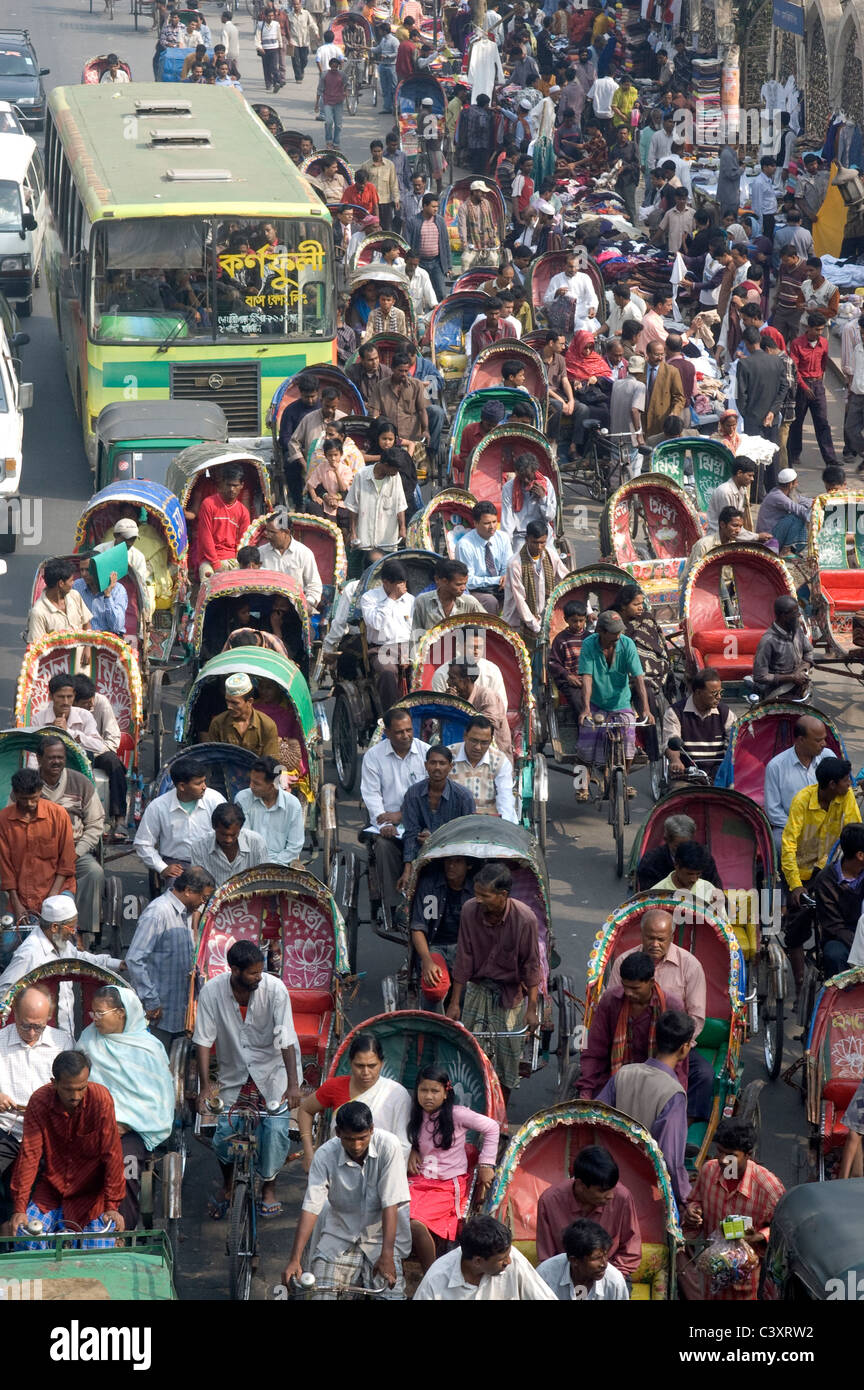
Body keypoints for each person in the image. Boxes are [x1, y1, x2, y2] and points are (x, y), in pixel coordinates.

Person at [195, 939, 301, 1219]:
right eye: (253, 973)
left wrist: (292, 1084)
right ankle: (229, 1185)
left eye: (260, 971)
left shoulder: (275, 989)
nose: (259, 977)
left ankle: (269, 1186)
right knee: (223, 1131)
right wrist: (206, 1087)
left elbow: (286, 1039)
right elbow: (203, 1041)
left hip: (274, 1071)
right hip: (233, 1072)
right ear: (234, 970)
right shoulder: (211, 992)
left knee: (275, 1131)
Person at [283, 1100, 410, 1298]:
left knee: (392, 1295)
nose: (357, 1145)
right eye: (350, 1139)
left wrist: (387, 1254)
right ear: (338, 1133)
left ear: (372, 1129)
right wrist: (295, 1259)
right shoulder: (324, 1155)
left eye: (362, 1138)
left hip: (380, 1239)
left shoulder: (389, 1146)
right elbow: (311, 1207)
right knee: (320, 1295)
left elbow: (390, 1203)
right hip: (339, 1237)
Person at [76, 985, 174, 1230]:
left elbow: (157, 1099)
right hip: (91, 1125)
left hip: (131, 1129)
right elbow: (76, 1085)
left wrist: (126, 1121)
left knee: (123, 1168)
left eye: (101, 1013)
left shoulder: (149, 1048)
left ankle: (123, 1231)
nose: (94, 1019)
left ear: (121, 1013)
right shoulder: (88, 1039)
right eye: (92, 1014)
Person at [446, 862, 541, 1104]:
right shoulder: (469, 910)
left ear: (503, 895)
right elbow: (463, 958)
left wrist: (532, 1010)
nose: (478, 900)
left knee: (507, 1062)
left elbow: (531, 966)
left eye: (484, 896)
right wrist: (455, 1002)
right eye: (476, 894)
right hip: (478, 989)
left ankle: (501, 1115)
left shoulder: (524, 919)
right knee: (470, 1053)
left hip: (510, 995)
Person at [10, 1051, 126, 1246]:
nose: (76, 1096)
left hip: (91, 1196)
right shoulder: (39, 1101)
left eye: (81, 1088)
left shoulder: (100, 1099)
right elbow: (29, 1155)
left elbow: (112, 1155)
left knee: (99, 1253)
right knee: (27, 1239)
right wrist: (20, 1209)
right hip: (51, 1193)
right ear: (54, 1083)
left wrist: (112, 1205)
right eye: (68, 1090)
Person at [679, 1119, 785, 1300]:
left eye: (730, 1155)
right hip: (711, 1278)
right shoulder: (708, 1171)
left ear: (748, 1155)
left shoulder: (769, 1188)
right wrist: (693, 1212)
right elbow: (695, 1202)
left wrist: (759, 1236)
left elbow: (783, 1232)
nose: (722, 1160)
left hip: (747, 1285)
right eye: (719, 1152)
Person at [598, 1009, 694, 1207]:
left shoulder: (624, 1073)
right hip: (645, 1191)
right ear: (684, 1048)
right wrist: (686, 1199)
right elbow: (671, 1159)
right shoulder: (673, 1093)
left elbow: (597, 1118)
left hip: (607, 1178)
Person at [407, 1066, 499, 1270]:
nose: (428, 1097)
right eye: (423, 1091)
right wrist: (411, 1150)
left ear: (445, 1092)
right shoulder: (414, 1114)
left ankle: (431, 1275)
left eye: (434, 1091)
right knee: (395, 1211)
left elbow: (492, 1127)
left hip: (447, 1186)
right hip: (419, 1181)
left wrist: (486, 1164)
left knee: (415, 1222)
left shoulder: (457, 1114)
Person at [125, 867, 214, 1047]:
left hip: (179, 1013)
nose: (203, 903)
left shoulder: (185, 914)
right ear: (188, 891)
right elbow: (134, 959)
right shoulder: (158, 913)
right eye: (203, 898)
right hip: (158, 1014)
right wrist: (151, 1000)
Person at [0, 985, 70, 1213]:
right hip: (7, 1129)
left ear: (48, 1019)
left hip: (48, 1130)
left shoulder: (63, 1043)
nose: (31, 1033)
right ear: (15, 1015)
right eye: (25, 1025)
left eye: (38, 1027)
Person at [297, 1032, 411, 1170]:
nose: (366, 1072)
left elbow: (403, 1144)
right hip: (337, 1167)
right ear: (350, 1063)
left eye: (372, 1065)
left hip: (382, 1170)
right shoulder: (335, 1086)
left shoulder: (397, 1094)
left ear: (381, 1063)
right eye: (360, 1066)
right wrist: (309, 1153)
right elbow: (305, 1110)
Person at [34, 736, 105, 941]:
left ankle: (81, 932)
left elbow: (96, 823)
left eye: (60, 757)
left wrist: (76, 853)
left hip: (75, 850)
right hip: (38, 853)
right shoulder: (29, 784)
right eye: (51, 757)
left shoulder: (80, 782)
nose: (56, 762)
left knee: (93, 872)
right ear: (39, 759)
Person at [360, 708, 429, 915]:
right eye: (400, 732)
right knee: (383, 847)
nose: (406, 735)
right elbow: (371, 795)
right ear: (388, 733)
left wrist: (403, 815)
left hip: (422, 822)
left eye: (409, 730)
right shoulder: (373, 756)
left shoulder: (427, 752)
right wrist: (386, 825)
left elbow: (432, 792)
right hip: (390, 826)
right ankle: (394, 905)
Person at [535, 1144, 641, 1277]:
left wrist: (607, 1277)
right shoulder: (549, 1201)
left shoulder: (622, 1197)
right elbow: (548, 1257)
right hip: (564, 1276)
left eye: (612, 1188)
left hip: (610, 1273)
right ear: (580, 1185)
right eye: (602, 1190)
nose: (611, 1196)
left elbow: (631, 1250)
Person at [413, 1212, 555, 1301]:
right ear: (478, 1261)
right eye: (501, 1260)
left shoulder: (512, 1258)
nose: (509, 1261)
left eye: (508, 1255)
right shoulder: (436, 1280)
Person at [576, 610, 653, 769]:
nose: (618, 636)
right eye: (613, 632)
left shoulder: (627, 644)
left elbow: (638, 677)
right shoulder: (589, 645)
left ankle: (623, 781)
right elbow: (587, 678)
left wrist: (646, 709)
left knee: (629, 742)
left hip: (621, 703)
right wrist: (586, 709)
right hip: (597, 702)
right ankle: (582, 785)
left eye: (619, 631)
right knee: (586, 744)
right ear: (600, 631)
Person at [0, 770, 76, 922]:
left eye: (33, 799)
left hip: (58, 891)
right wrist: (16, 904)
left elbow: (67, 863)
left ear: (40, 791)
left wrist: (51, 898)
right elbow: (5, 868)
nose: (29, 804)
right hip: (21, 896)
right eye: (24, 799)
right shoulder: (4, 819)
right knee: (8, 945)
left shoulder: (58, 814)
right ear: (15, 794)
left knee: (58, 940)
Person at [133, 756, 225, 883]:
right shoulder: (158, 806)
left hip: (213, 861)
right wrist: (163, 868)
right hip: (178, 865)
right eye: (198, 783)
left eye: (204, 781)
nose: (204, 787)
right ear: (182, 786)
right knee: (178, 890)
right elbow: (143, 843)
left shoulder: (215, 799)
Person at [764, 716, 830, 853]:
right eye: (818, 740)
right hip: (791, 826)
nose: (824, 744)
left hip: (827, 823)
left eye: (824, 738)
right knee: (778, 842)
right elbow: (773, 811)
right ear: (801, 740)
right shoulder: (776, 766)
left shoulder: (828, 756)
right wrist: (800, 829)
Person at [662, 668, 734, 784]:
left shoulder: (725, 713)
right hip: (687, 775)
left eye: (721, 692)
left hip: (719, 775)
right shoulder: (675, 712)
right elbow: (671, 740)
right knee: (678, 796)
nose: (719, 697)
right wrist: (676, 761)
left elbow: (735, 739)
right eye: (714, 693)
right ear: (698, 692)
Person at [502, 520, 568, 647]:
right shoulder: (515, 564)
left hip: (544, 618)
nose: (539, 547)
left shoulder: (551, 556)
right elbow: (520, 600)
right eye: (535, 543)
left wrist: (587, 608)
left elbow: (567, 579)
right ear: (527, 539)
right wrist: (535, 626)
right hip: (518, 622)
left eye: (542, 543)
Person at [812, 823, 864, 977]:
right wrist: (859, 947)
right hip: (841, 937)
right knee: (835, 956)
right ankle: (842, 998)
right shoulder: (825, 881)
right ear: (860, 855)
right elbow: (835, 927)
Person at [788, 314, 839, 468]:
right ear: (808, 328)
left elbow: (823, 365)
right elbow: (794, 370)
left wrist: (817, 383)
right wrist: (804, 386)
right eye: (817, 329)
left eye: (821, 329)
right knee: (797, 423)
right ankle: (794, 454)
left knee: (822, 423)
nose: (819, 333)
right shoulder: (797, 344)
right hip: (802, 387)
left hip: (817, 385)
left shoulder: (823, 343)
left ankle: (830, 459)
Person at [234, 756, 305, 868]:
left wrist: (273, 865)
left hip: (282, 865)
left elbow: (294, 847)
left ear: (272, 786)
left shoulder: (293, 805)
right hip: (249, 863)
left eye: (256, 784)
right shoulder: (242, 799)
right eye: (251, 781)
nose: (250, 786)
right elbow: (243, 839)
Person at [537, 1219, 630, 1301]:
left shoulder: (614, 1281)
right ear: (574, 1260)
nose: (604, 1264)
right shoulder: (545, 1275)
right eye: (596, 1258)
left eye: (605, 1255)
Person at [448, 714, 517, 821]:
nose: (478, 747)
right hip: (454, 820)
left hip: (488, 822)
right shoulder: (447, 756)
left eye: (484, 743)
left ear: (490, 741)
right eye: (474, 740)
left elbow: (505, 798)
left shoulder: (500, 761)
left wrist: (506, 826)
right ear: (465, 736)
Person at [188, 802, 268, 888]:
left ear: (240, 829)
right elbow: (198, 885)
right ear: (214, 827)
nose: (228, 840)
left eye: (233, 835)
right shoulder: (199, 847)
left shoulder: (257, 842)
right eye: (223, 834)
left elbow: (264, 880)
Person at [752, 595, 815, 701]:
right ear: (783, 616)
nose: (799, 615)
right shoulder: (768, 641)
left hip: (801, 689)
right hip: (779, 693)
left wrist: (803, 669)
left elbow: (808, 651)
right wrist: (792, 677)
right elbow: (760, 676)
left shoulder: (797, 630)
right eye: (795, 613)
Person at [410, 558, 485, 647]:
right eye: (458, 584)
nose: (463, 588)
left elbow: (489, 628)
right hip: (432, 656)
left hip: (462, 658)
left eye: (465, 584)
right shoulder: (422, 601)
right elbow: (415, 636)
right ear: (443, 581)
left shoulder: (470, 603)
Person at [636, 817, 722, 893]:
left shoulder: (704, 858)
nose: (683, 850)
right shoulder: (651, 862)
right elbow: (649, 896)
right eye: (677, 846)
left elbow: (716, 889)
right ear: (666, 840)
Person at [256, 514, 323, 610]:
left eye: (272, 532)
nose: (268, 535)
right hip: (267, 607)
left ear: (286, 532)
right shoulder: (260, 553)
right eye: (267, 531)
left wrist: (307, 604)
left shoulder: (304, 553)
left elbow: (314, 585)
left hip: (295, 608)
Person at [195, 466, 251, 582]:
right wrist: (216, 564)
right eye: (228, 485)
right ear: (221, 485)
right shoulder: (209, 504)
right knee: (208, 588)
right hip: (209, 560)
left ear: (241, 486)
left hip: (233, 559)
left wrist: (238, 563)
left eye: (235, 485)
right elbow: (206, 536)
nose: (231, 489)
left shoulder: (243, 512)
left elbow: (243, 542)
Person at [443, 663, 511, 757]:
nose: (448, 681)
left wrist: (458, 706)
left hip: (492, 758)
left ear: (467, 680)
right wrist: (448, 704)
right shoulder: (455, 697)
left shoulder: (487, 696)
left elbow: (485, 726)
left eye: (452, 678)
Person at [25, 557, 92, 644]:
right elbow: (37, 648)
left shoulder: (74, 595)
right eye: (71, 581)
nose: (73, 584)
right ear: (61, 583)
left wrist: (88, 648)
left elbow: (87, 623)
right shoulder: (38, 612)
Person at [500, 456, 557, 551]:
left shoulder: (546, 484)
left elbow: (550, 516)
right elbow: (507, 520)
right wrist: (506, 545)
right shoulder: (509, 488)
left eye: (528, 476)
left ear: (535, 471)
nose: (526, 480)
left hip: (543, 535)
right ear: (517, 473)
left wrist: (543, 498)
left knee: (552, 561)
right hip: (520, 536)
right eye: (522, 476)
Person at [405, 193, 450, 302]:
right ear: (424, 206)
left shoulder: (440, 221)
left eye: (437, 207)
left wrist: (448, 266)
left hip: (436, 263)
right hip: (419, 263)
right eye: (433, 207)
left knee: (441, 293)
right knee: (418, 293)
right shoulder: (412, 221)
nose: (436, 209)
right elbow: (406, 243)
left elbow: (445, 244)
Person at [706, 459, 757, 534]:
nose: (752, 479)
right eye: (749, 475)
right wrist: (755, 537)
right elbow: (730, 525)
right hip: (718, 538)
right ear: (739, 473)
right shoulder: (725, 492)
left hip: (732, 536)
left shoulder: (742, 491)